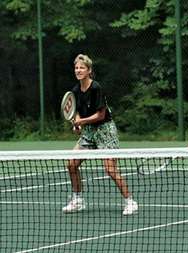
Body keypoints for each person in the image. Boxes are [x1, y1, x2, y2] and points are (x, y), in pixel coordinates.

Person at [62, 54, 138, 215]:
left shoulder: (96, 88)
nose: (78, 70)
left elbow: (100, 115)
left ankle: (130, 201)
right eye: (76, 67)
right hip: (89, 132)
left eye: (82, 67)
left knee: (110, 169)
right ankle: (77, 200)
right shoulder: (75, 91)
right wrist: (77, 124)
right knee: (71, 164)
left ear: (89, 70)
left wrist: (81, 122)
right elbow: (75, 112)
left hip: (105, 130)